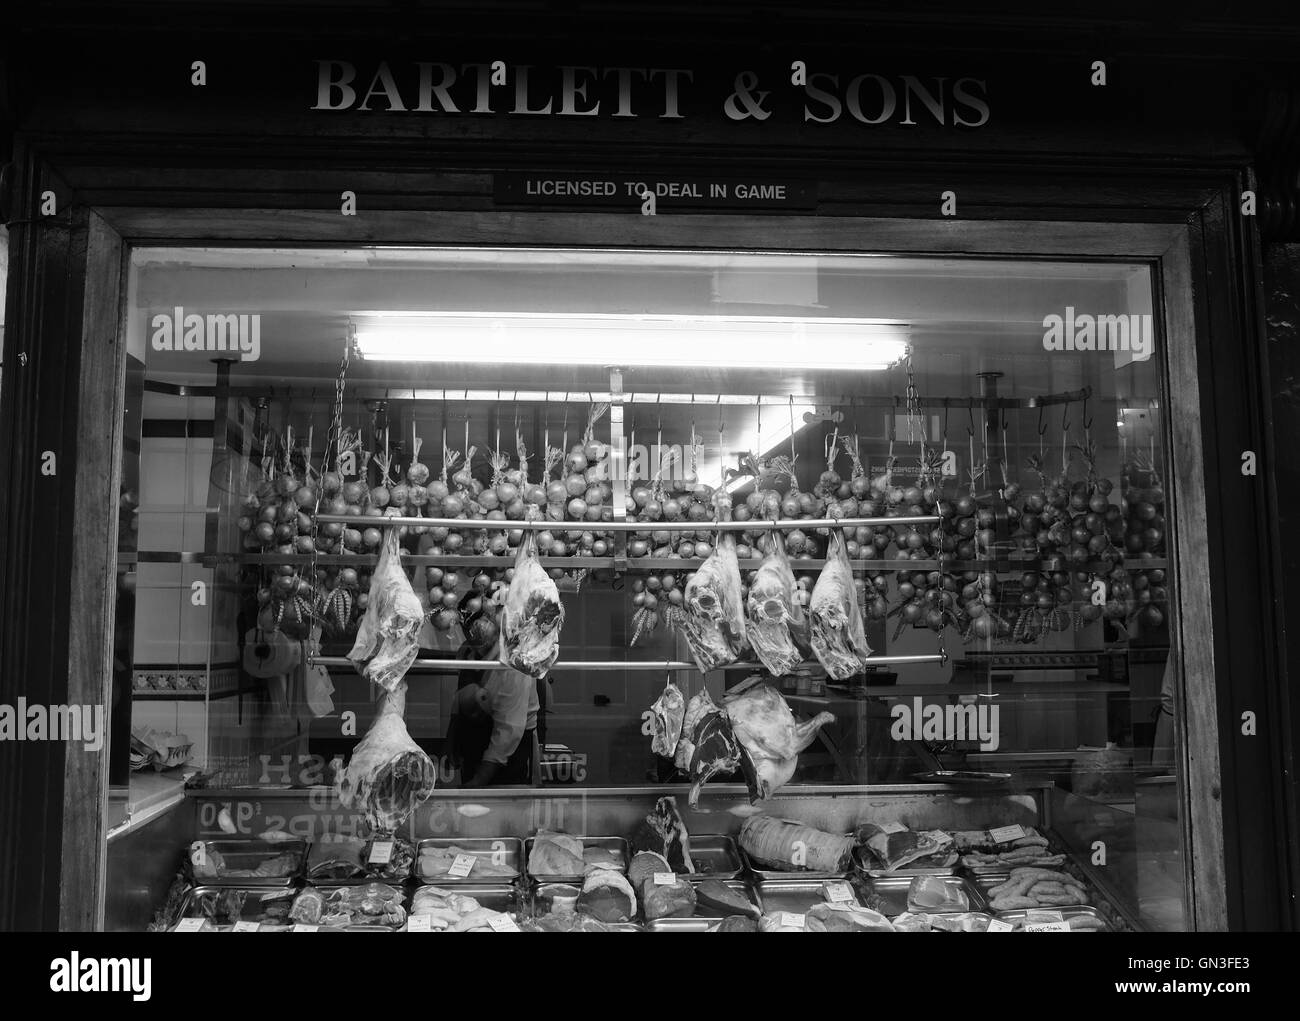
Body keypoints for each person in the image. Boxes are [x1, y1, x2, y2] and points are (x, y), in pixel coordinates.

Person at [450, 633, 540, 788]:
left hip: (511, 745)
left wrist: (480, 779)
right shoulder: (467, 650)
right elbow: (459, 697)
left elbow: (509, 729)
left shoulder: (515, 660)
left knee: (503, 803)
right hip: (474, 733)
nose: (475, 628)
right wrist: (451, 741)